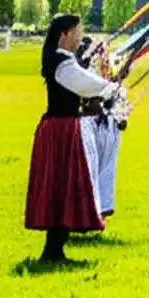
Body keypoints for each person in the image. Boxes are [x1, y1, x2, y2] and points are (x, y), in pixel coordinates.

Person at [25, 14, 120, 263]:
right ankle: (53, 251)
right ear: (64, 35)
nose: (80, 37)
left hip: (64, 129)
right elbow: (84, 84)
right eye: (77, 32)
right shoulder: (61, 64)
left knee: (64, 188)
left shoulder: (65, 60)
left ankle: (54, 250)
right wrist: (110, 88)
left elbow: (84, 76)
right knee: (61, 187)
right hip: (60, 132)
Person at [76, 36, 124, 218]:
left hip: (107, 124)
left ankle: (100, 213)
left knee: (105, 169)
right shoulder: (78, 70)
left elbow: (115, 88)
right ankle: (87, 214)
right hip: (87, 124)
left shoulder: (108, 69)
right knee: (89, 169)